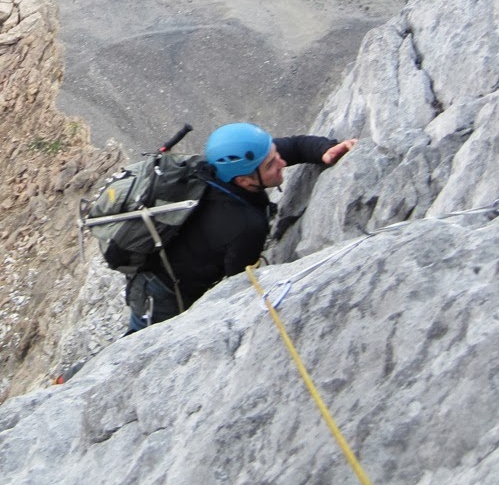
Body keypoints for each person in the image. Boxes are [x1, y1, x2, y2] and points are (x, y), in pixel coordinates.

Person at [126, 122, 356, 332]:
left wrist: (325, 149)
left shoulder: (232, 167)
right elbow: (240, 286)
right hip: (161, 297)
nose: (282, 163)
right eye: (271, 165)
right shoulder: (245, 226)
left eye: (274, 155)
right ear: (243, 181)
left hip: (153, 271)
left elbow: (293, 146)